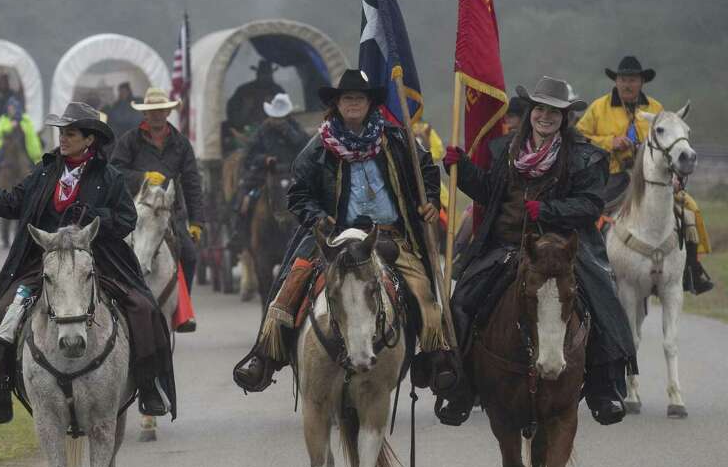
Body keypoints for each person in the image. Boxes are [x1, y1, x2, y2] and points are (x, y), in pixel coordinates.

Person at [0, 101, 176, 425]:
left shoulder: (109, 177)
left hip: (98, 263)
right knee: (1, 312)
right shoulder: (44, 173)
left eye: (70, 134)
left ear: (89, 140)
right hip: (44, 264)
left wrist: (93, 215)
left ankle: (149, 387)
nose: (63, 139)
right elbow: (11, 202)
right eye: (62, 133)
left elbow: (127, 218)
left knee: (144, 309)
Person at [232, 69, 453, 397]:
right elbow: (298, 194)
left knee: (426, 296)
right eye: (347, 98)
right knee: (288, 287)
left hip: (391, 237)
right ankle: (265, 354)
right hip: (335, 238)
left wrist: (431, 200)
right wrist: (318, 218)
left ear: (369, 104)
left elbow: (427, 172)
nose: (353, 103)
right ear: (336, 104)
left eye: (359, 98)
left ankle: (437, 361)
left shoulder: (395, 138)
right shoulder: (318, 146)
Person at [444, 76, 637, 426]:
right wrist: (463, 168)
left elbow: (592, 204)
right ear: (531, 111)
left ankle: (604, 388)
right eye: (541, 109)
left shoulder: (586, 156)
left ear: (565, 117)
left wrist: (547, 212)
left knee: (603, 297)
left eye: (555, 111)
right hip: (506, 244)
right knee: (461, 301)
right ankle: (461, 386)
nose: (546, 116)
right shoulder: (505, 149)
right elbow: (490, 192)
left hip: (561, 248)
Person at [576, 56, 712, 294]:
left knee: (689, 210)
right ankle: (590, 268)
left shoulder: (656, 109)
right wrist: (609, 142)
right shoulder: (598, 108)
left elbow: (671, 146)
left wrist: (676, 177)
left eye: (633, 80)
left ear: (641, 83)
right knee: (593, 214)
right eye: (623, 79)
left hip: (655, 178)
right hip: (612, 177)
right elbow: (579, 138)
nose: (627, 84)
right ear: (616, 81)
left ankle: (692, 269)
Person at [110, 87, 204, 330]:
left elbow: (192, 183)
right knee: (114, 252)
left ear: (168, 112)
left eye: (160, 110)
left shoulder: (181, 144)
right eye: (152, 111)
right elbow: (114, 171)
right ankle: (114, 305)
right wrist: (141, 177)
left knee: (190, 256)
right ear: (145, 114)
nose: (156, 115)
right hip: (136, 211)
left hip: (171, 212)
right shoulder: (130, 140)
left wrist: (196, 223)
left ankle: (182, 310)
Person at [230, 92, 309, 247]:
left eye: (281, 117)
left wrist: (288, 132)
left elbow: (304, 146)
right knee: (244, 198)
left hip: (293, 173)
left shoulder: (295, 129)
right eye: (275, 117)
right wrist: (265, 160)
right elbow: (249, 155)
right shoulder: (263, 131)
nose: (277, 120)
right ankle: (239, 233)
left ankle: (312, 232)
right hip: (265, 173)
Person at [0, 97, 43, 177]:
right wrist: (11, 126)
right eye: (9, 108)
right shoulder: (4, 119)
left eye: (12, 108)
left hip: (23, 146)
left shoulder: (25, 119)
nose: (10, 110)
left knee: (34, 165)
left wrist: (20, 127)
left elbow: (31, 135)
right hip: (6, 147)